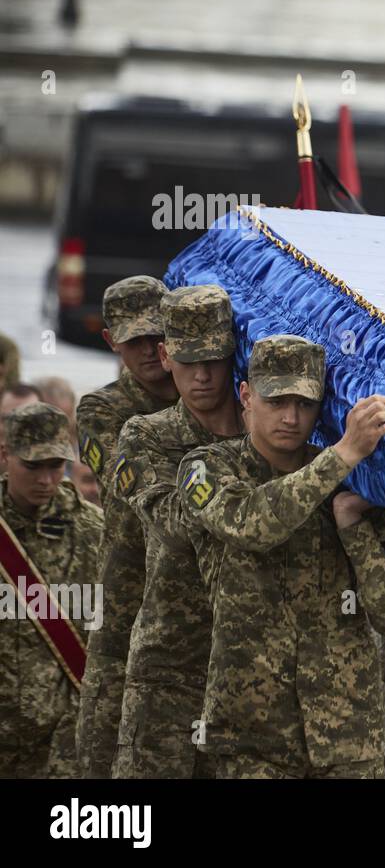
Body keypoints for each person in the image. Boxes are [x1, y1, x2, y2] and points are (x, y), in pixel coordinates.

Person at [180, 334, 385, 778]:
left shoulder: (358, 486)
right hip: (253, 738)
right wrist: (344, 453)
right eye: (276, 401)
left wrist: (354, 527)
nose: (291, 417)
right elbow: (252, 524)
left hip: (348, 738)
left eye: (305, 404)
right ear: (246, 395)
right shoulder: (206, 467)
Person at [112, 285, 244, 778]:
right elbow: (174, 523)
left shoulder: (270, 433)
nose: (204, 375)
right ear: (166, 356)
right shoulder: (146, 434)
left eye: (215, 359)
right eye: (189, 361)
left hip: (245, 675)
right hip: (168, 669)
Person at [74, 275, 178, 778]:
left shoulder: (208, 392)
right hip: (126, 598)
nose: (150, 350)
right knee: (105, 740)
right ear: (111, 341)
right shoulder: (102, 409)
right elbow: (131, 480)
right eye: (135, 340)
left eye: (159, 337)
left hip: (188, 601)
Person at [0, 403, 104, 776]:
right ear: (5, 455)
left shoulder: (94, 530)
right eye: (33, 465)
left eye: (55, 465)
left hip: (68, 741)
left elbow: (117, 633)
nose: (46, 479)